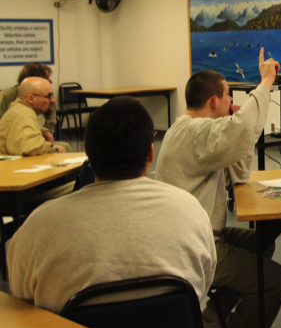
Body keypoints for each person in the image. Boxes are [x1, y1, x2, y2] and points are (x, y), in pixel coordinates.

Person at [7, 96, 216, 314]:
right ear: (151, 153)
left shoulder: (36, 227)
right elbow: (204, 283)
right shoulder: (190, 210)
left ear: (86, 151)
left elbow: (22, 302)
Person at [155, 48, 281, 328]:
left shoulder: (195, 131)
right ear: (215, 101)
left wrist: (240, 129)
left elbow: (238, 172)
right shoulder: (196, 132)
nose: (231, 103)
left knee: (262, 244)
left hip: (200, 233)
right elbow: (239, 132)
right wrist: (265, 82)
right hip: (193, 244)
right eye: (228, 97)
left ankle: (212, 319)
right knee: (275, 279)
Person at [0, 77, 68, 156]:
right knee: (62, 148)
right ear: (30, 99)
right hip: (8, 165)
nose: (53, 100)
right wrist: (53, 149)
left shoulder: (18, 108)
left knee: (64, 146)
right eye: (49, 96)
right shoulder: (24, 114)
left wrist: (42, 131)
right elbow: (31, 147)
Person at [0, 62, 58, 144]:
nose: (50, 81)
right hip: (14, 139)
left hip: (39, 137)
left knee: (64, 146)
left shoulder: (47, 96)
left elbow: (51, 120)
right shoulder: (6, 97)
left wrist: (45, 132)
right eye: (47, 77)